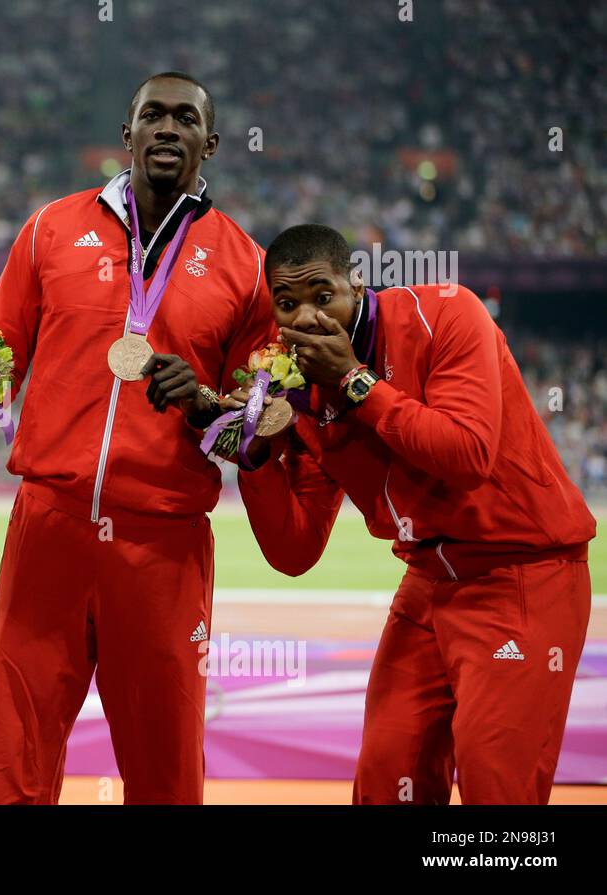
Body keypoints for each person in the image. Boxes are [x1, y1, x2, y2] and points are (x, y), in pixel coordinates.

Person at [0, 72, 274, 804]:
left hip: (162, 544)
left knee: (165, 769)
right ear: (127, 133)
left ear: (209, 143)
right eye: (152, 115)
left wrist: (209, 403)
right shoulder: (52, 227)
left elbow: (256, 428)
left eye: (186, 119)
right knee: (14, 764)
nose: (167, 128)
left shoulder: (246, 266)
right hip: (48, 531)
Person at [234, 223, 596, 804]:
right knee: (387, 777)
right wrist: (254, 461)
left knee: (497, 790)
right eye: (287, 303)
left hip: (525, 572)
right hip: (429, 578)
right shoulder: (299, 392)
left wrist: (356, 383)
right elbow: (294, 551)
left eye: (323, 296)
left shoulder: (447, 314)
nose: (307, 319)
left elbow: (468, 454)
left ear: (356, 285)